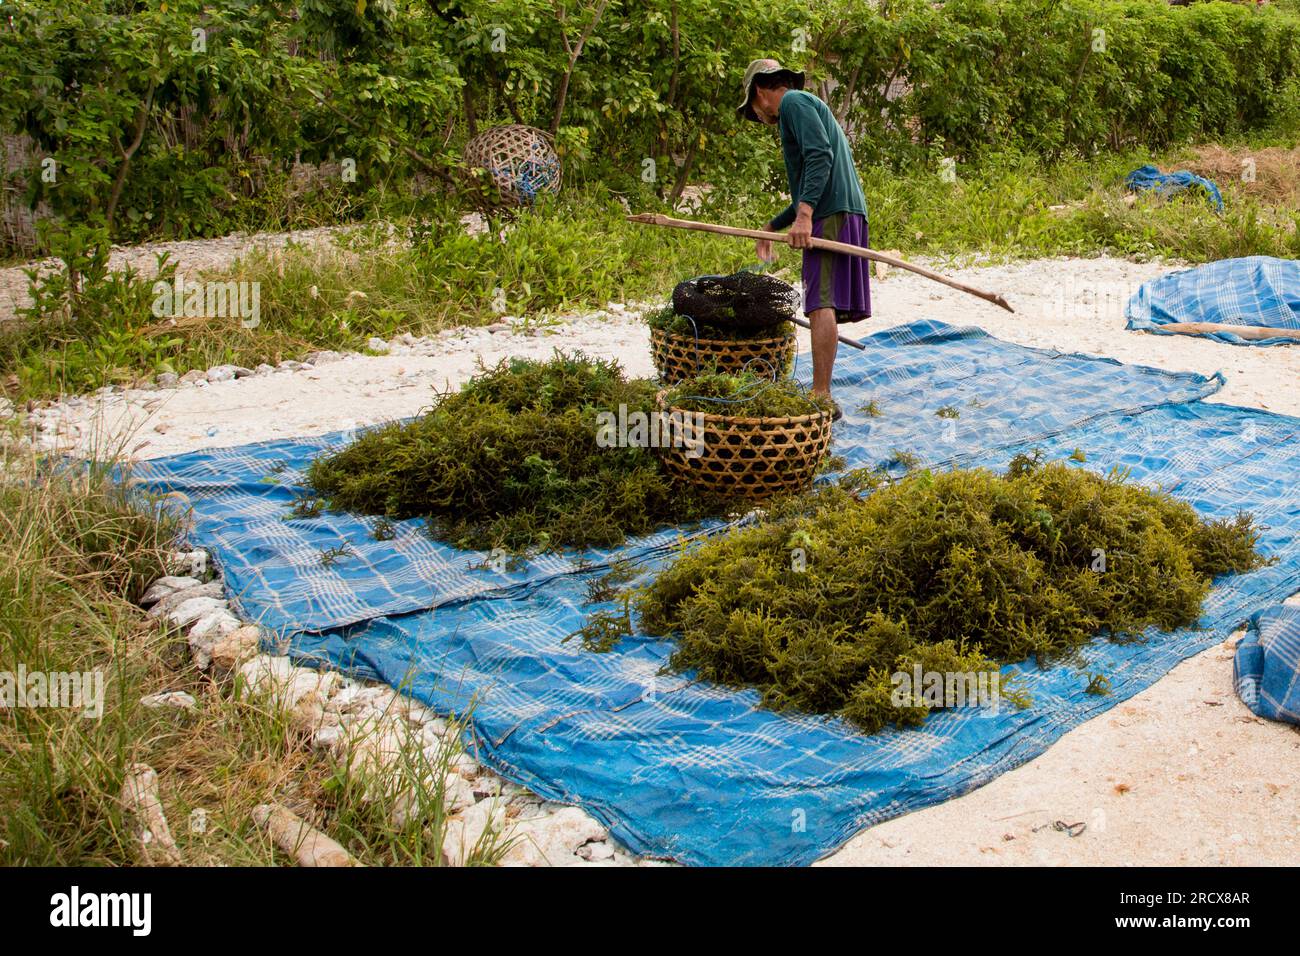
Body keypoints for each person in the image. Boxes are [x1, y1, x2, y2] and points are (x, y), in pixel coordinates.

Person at [737, 58, 871, 414]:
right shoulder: (802, 107)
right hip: (841, 210)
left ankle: (821, 395)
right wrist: (773, 226)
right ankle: (821, 390)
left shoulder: (794, 102)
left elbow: (819, 156)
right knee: (822, 299)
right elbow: (804, 188)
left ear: (761, 91)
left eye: (753, 107)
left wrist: (806, 216)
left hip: (829, 213)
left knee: (819, 300)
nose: (760, 117)